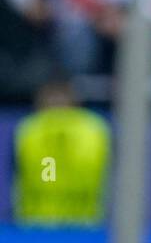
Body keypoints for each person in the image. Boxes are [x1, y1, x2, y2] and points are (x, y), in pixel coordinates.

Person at [12, 76, 110, 226]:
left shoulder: (27, 128)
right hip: (42, 227)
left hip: (78, 226)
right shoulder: (96, 128)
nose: (56, 102)